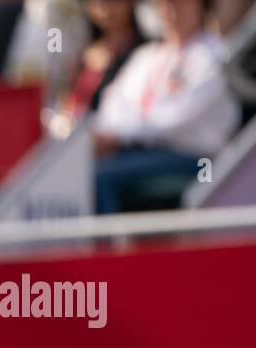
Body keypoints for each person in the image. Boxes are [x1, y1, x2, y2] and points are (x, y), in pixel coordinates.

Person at [92, 0, 241, 212]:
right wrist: (108, 133)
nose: (170, 11)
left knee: (101, 178)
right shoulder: (145, 56)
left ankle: (110, 245)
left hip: (197, 162)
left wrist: (119, 134)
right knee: (86, 174)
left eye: (179, 4)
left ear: (200, 6)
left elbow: (176, 116)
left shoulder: (215, 55)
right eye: (163, 4)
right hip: (139, 154)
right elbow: (112, 105)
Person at [53, 0, 147, 132]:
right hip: (78, 137)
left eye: (111, 2)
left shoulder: (145, 53)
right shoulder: (83, 55)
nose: (104, 8)